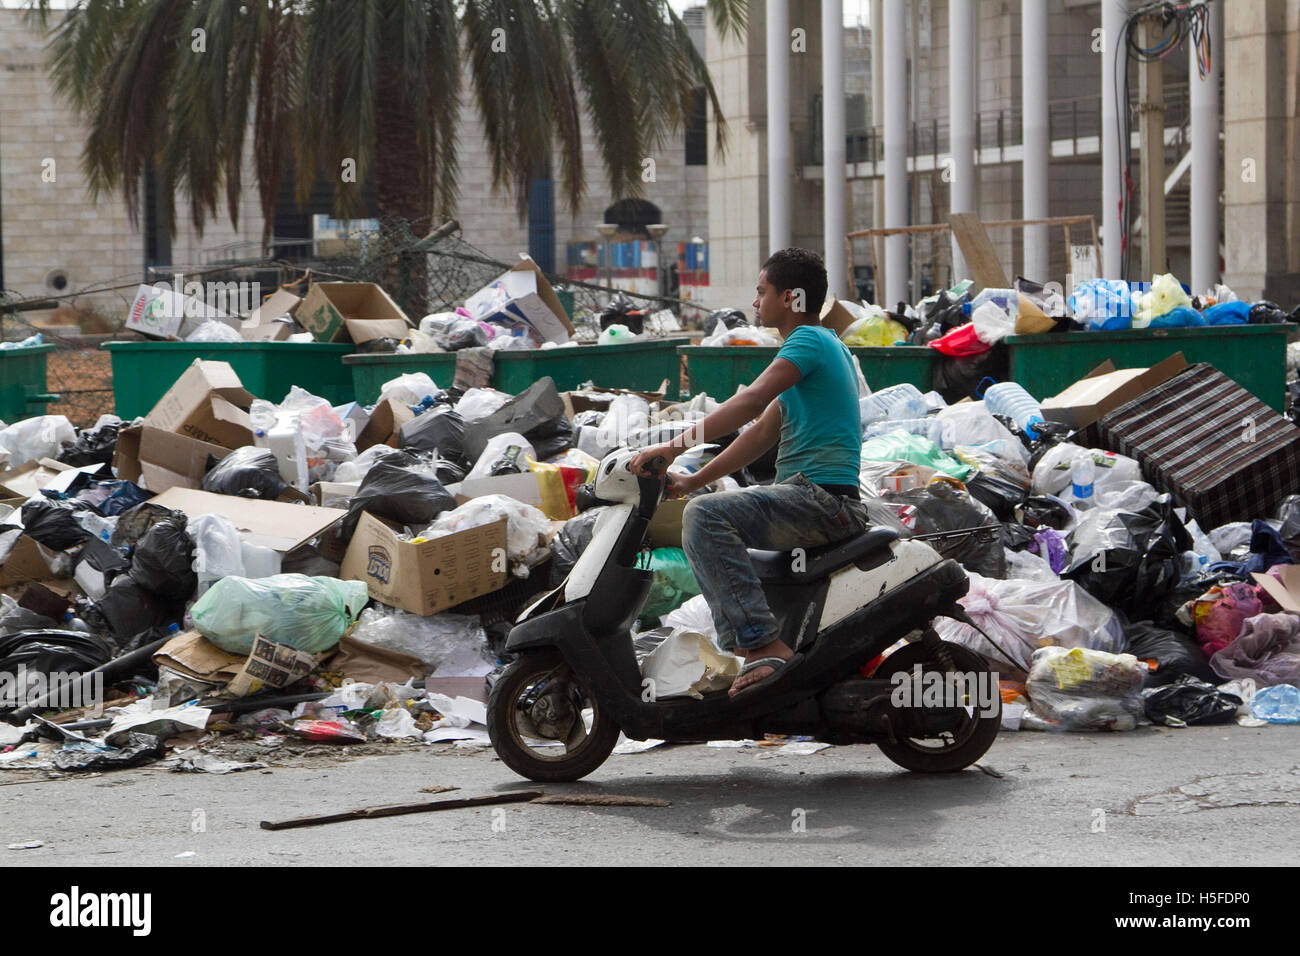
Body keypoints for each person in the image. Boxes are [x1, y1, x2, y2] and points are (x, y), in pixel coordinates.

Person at [629, 248, 868, 700]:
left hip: (823, 501)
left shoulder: (808, 342)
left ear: (791, 298)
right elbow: (760, 432)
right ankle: (757, 649)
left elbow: (751, 401)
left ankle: (761, 647)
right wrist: (688, 481)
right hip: (812, 497)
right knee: (702, 509)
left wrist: (669, 446)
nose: (754, 302)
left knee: (703, 518)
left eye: (762, 291)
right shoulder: (820, 348)